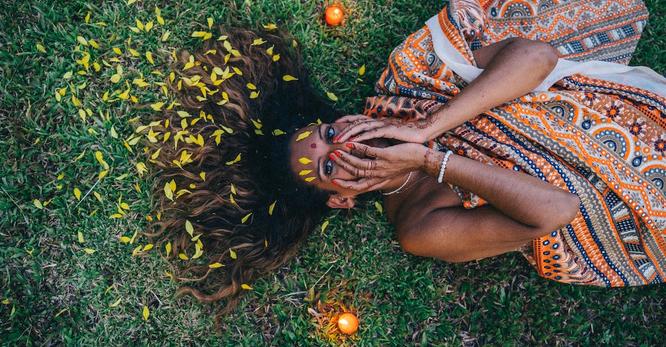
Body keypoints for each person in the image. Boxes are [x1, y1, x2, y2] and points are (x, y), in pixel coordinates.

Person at [145, 0, 665, 319]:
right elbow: (558, 212)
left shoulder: (405, 89)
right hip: (632, 197)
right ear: (343, 200)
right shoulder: (421, 229)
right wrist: (427, 162)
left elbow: (537, 57)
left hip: (623, 119)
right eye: (330, 166)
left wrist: (428, 126)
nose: (343, 146)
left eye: (328, 133)